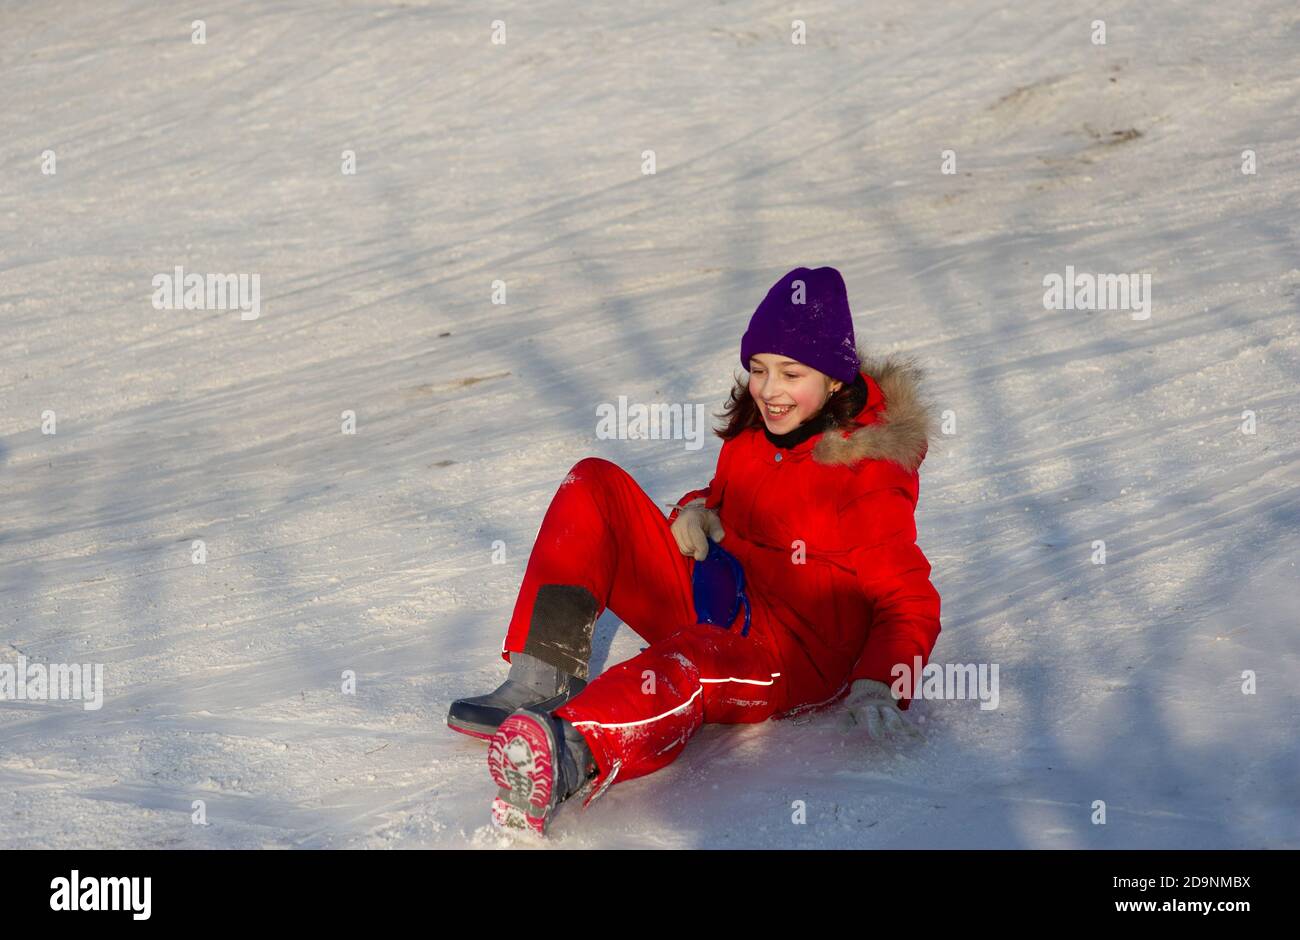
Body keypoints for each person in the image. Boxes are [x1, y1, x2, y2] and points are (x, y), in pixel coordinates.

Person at [447, 265, 943, 835]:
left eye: (791, 372)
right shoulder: (759, 431)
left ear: (834, 379)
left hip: (786, 659)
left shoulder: (866, 472)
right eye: (758, 370)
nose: (769, 390)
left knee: (691, 660)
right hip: (720, 592)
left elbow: (909, 600)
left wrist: (882, 680)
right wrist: (696, 509)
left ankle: (568, 750)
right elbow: (725, 495)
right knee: (594, 484)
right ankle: (541, 678)